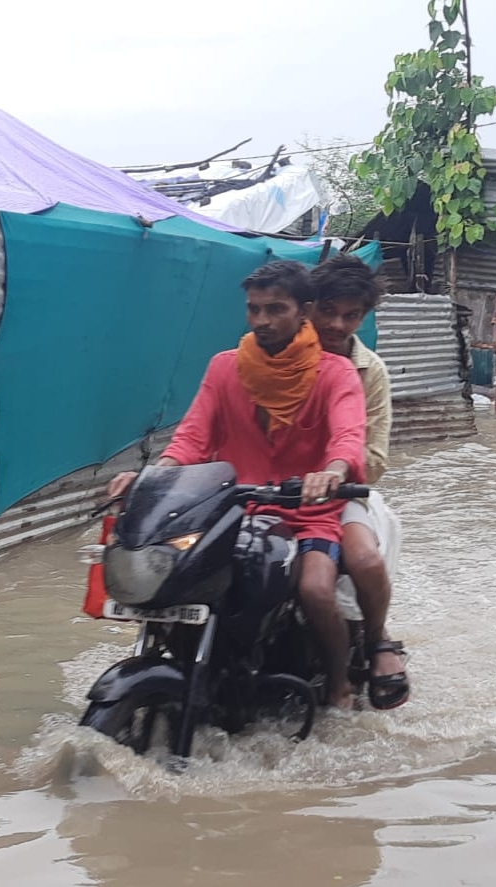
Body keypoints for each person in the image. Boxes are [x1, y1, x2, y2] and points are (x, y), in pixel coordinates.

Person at [108, 260, 367, 709]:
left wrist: (334, 470)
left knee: (316, 589)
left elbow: (348, 435)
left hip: (306, 513)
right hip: (233, 510)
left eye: (275, 309)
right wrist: (156, 474)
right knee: (176, 577)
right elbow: (192, 436)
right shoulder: (225, 368)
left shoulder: (335, 373)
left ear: (304, 311)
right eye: (254, 309)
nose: (262, 320)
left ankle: (340, 685)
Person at [310, 254, 409, 710]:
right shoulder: (268, 356)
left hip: (343, 490)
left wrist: (332, 473)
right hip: (272, 487)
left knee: (365, 560)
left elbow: (376, 456)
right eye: (328, 310)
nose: (336, 323)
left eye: (351, 316)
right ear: (309, 306)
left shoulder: (371, 371)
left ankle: (376, 639)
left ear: (364, 317)